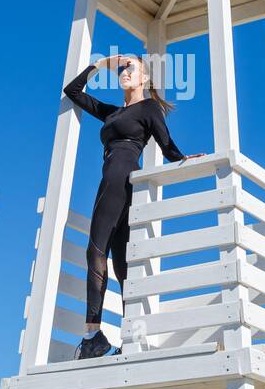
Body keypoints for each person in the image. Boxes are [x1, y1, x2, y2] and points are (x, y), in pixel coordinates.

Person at [62, 53, 204, 359]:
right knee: (120, 263)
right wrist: (99, 65)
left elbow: (167, 147)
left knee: (95, 251)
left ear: (144, 79)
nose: (125, 72)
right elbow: (72, 92)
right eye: (123, 68)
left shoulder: (149, 108)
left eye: (132, 69)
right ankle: (129, 338)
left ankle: (92, 337)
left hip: (120, 178)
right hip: (116, 180)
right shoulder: (112, 113)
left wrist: (183, 159)